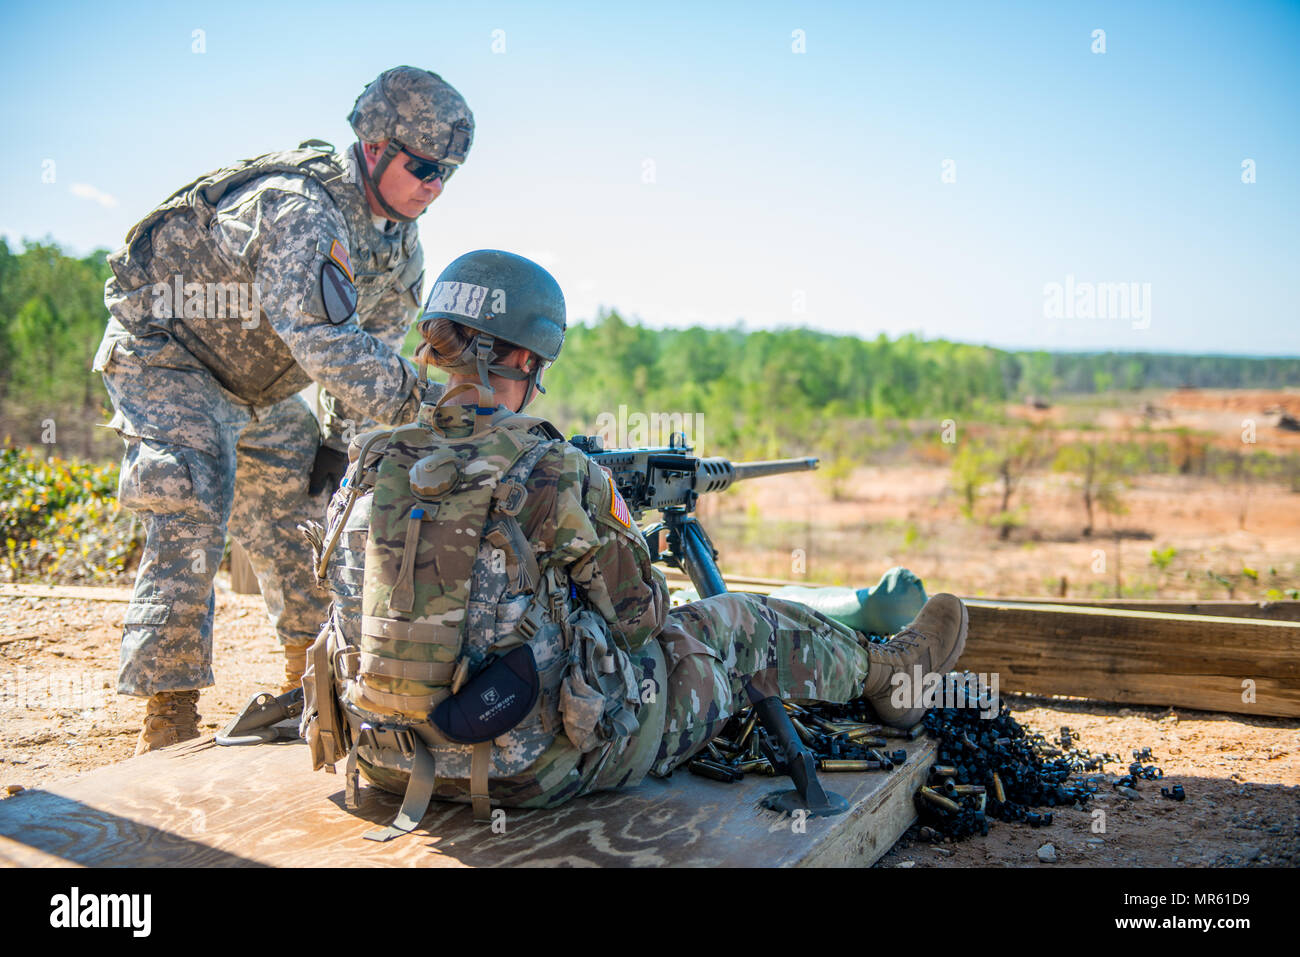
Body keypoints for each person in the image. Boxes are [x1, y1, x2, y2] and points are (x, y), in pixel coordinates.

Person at [303, 250, 967, 833]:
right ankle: (890, 676)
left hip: (383, 760)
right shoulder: (554, 470)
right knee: (739, 621)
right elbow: (641, 621)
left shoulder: (372, 460)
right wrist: (612, 518)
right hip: (536, 770)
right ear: (527, 357)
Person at [93, 66, 472, 754]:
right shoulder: (300, 207)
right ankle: (170, 712)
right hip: (166, 350)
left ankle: (308, 679)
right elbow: (326, 343)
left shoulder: (399, 251)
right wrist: (436, 401)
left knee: (310, 500)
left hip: (254, 384)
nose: (434, 185)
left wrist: (336, 452)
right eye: (422, 166)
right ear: (376, 147)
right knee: (192, 483)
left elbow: (365, 367)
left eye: (446, 172)